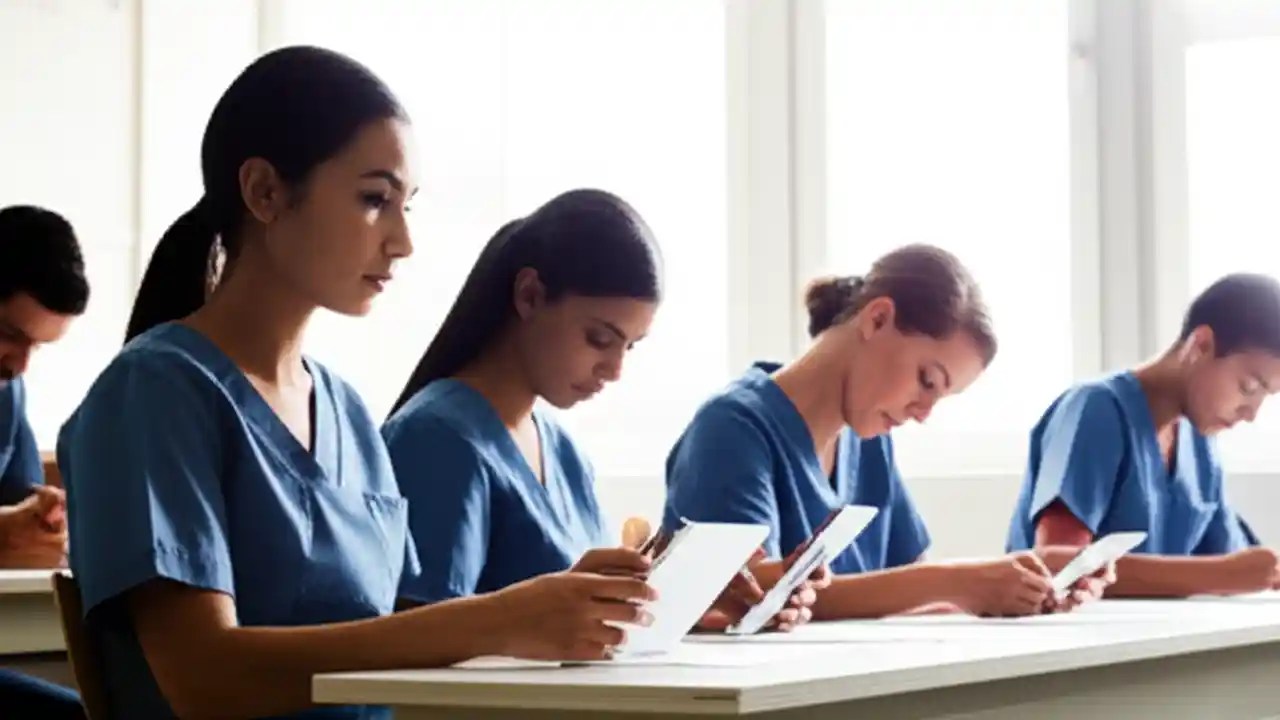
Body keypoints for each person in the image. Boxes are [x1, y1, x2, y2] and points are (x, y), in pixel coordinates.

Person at [59, 46, 655, 720]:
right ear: (265, 192)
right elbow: (203, 677)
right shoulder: (155, 392)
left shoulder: (345, 411)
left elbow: (401, 639)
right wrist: (497, 620)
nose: (402, 240)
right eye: (375, 199)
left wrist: (569, 610)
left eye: (408, 206)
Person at [383, 189, 822, 631]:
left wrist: (698, 610)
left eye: (629, 346)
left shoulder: (564, 451)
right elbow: (416, 643)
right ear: (530, 296)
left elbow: (581, 630)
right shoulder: (438, 440)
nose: (614, 370)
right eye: (599, 338)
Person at [663, 244, 1108, 618]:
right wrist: (956, 581)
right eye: (927, 382)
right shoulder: (732, 430)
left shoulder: (868, 441)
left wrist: (1013, 595)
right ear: (877, 319)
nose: (923, 412)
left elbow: (904, 597)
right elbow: (751, 596)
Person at [1007, 273, 1280, 597]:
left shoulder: (1200, 444)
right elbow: (1056, 564)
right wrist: (1220, 575)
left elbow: (1238, 564)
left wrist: (1254, 572)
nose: (1251, 414)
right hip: (1068, 640)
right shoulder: (1096, 410)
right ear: (1202, 344)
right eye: (1249, 388)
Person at [0, 205, 90, 718]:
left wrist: (46, 525)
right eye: (10, 334)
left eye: (36, 346)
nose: (19, 364)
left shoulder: (6, 393)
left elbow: (25, 508)